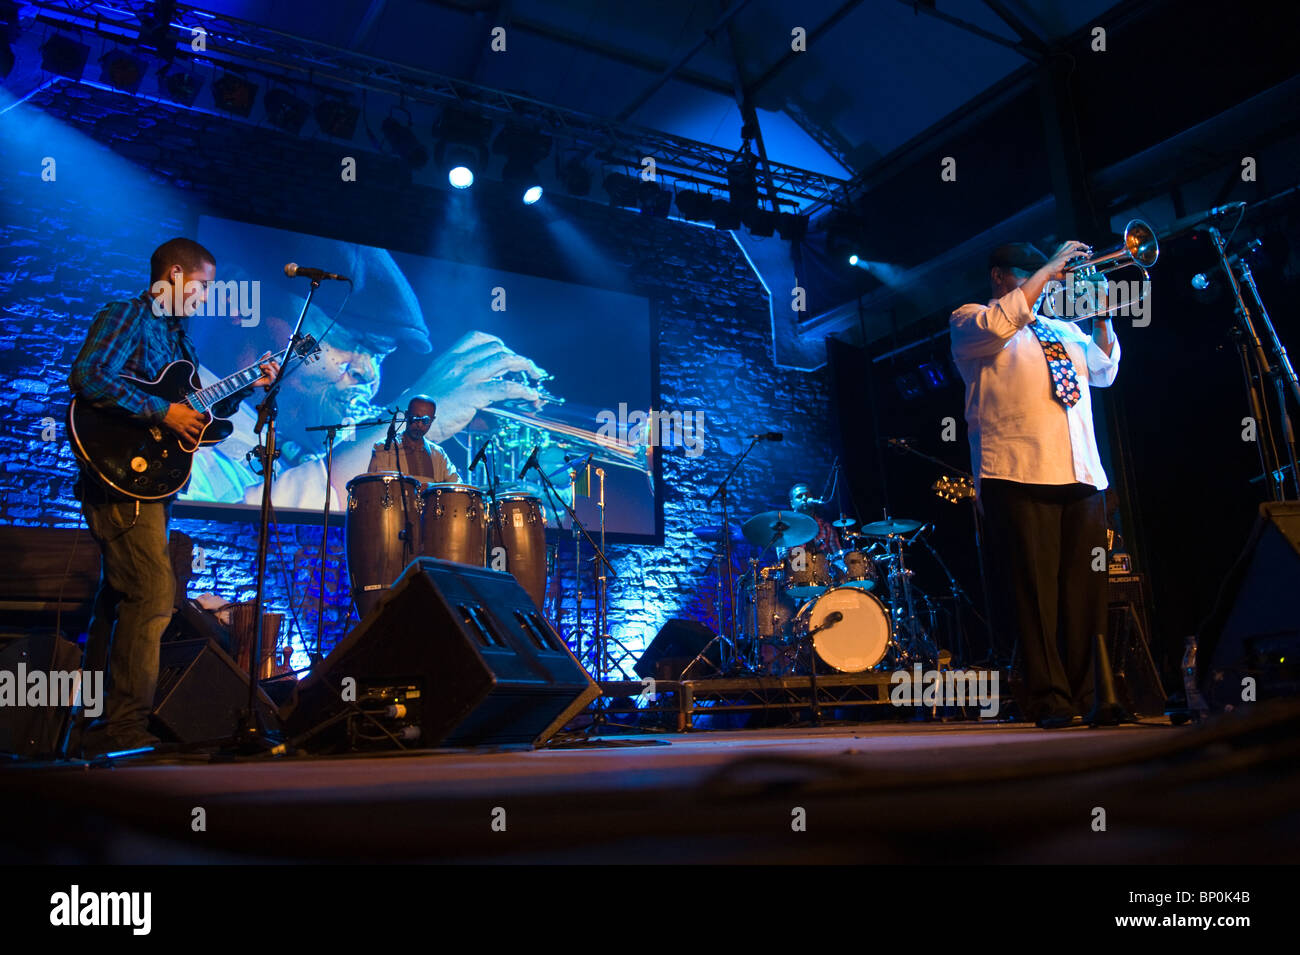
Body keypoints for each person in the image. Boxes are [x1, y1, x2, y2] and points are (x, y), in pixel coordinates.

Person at [69, 238, 277, 753]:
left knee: (118, 600)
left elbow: (193, 407)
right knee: (154, 595)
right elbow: (90, 377)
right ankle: (123, 728)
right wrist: (164, 414)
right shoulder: (129, 317)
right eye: (203, 286)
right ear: (176, 274)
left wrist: (250, 384)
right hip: (121, 475)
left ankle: (93, 725)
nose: (206, 297)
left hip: (149, 485)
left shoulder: (179, 343)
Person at [949, 240, 1119, 728]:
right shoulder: (971, 319)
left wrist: (1104, 318)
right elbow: (1008, 320)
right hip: (1018, 472)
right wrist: (1050, 267)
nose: (1045, 284)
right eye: (1030, 275)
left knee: (1085, 594)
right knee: (1036, 596)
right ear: (1001, 277)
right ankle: (1050, 700)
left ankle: (1093, 694)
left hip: (1080, 472)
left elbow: (1105, 373)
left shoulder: (1064, 329)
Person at [368, 396, 460, 483]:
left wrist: (432, 487)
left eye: (425, 421)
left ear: (432, 420)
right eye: (415, 418)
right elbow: (373, 488)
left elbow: (456, 485)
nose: (419, 424)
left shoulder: (438, 454)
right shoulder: (384, 448)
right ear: (407, 415)